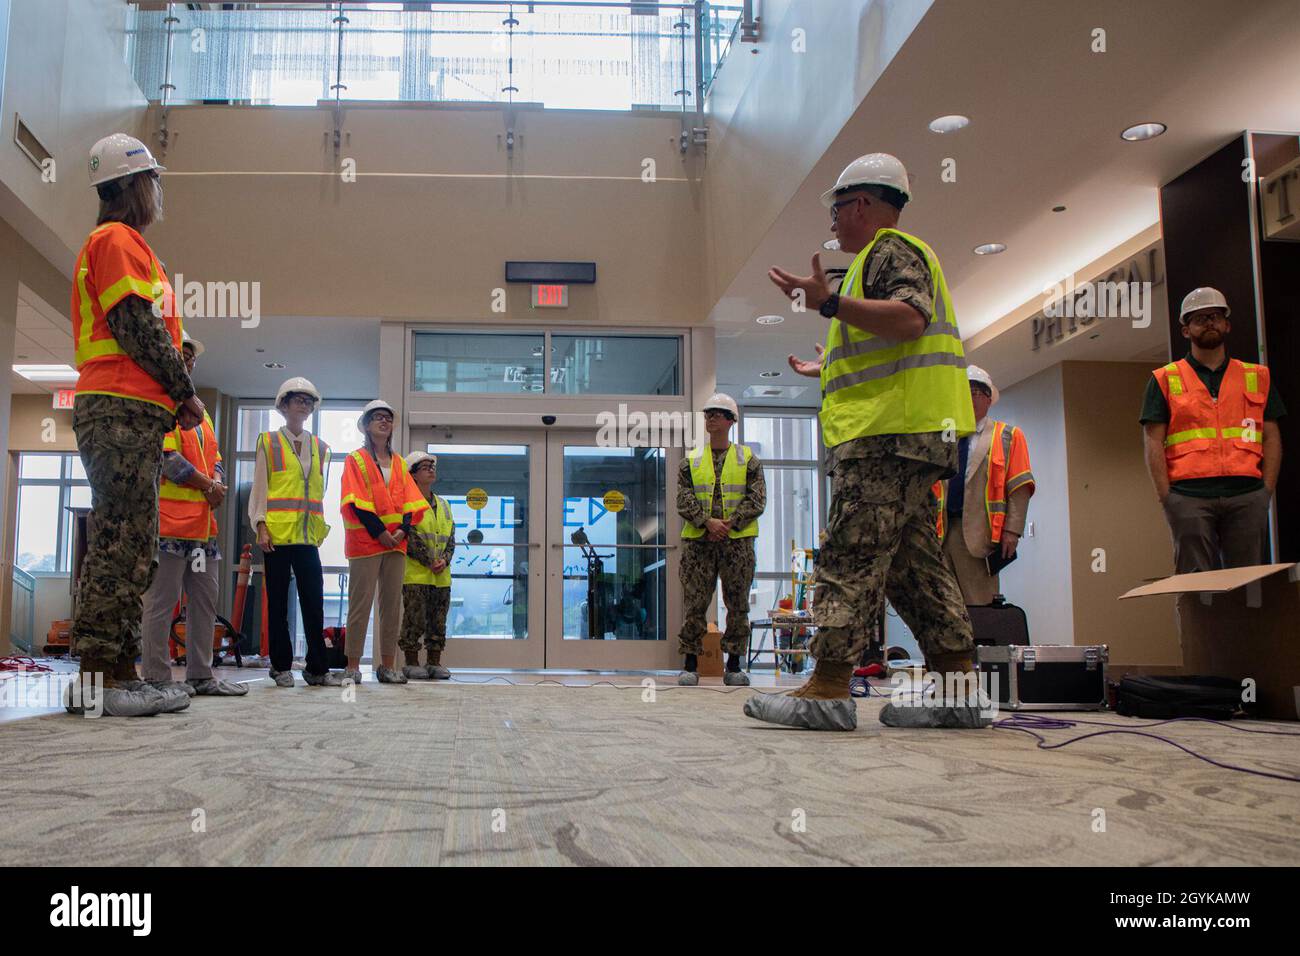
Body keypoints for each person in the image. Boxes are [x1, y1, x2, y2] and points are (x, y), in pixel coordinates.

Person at [747, 152, 982, 731]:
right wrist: (826, 366)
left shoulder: (890, 252)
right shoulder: (870, 264)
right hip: (902, 434)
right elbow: (888, 342)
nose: (831, 223)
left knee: (849, 553)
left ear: (860, 205)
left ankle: (828, 688)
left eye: (835, 209)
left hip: (887, 437)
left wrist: (825, 301)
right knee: (912, 566)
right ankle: (959, 688)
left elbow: (908, 319)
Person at [65, 133, 207, 718]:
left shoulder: (130, 246)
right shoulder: (117, 240)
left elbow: (147, 327)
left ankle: (121, 674)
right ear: (132, 186)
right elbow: (134, 326)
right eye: (154, 180)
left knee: (133, 544)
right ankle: (98, 681)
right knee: (122, 543)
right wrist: (184, 391)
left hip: (134, 410)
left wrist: (174, 376)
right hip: (118, 405)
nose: (158, 190)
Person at [1141, 287, 1285, 572]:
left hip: (1247, 493)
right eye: (1199, 318)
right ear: (1186, 330)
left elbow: (1271, 436)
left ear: (1227, 325)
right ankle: (1200, 620)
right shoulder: (1164, 379)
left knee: (1247, 582)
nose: (1209, 322)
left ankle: (1244, 619)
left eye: (1215, 316)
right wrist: (1166, 496)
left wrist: (1265, 490)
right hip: (1188, 495)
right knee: (1196, 584)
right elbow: (1153, 442)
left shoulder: (1256, 376)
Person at [139, 332, 247, 698]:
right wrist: (208, 486)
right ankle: (156, 678)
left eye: (190, 358)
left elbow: (215, 458)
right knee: (161, 603)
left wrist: (216, 481)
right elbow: (168, 461)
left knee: (203, 601)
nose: (186, 362)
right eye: (180, 356)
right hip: (169, 529)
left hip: (202, 535)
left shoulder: (201, 414)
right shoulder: (161, 405)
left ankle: (200, 675)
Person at [249, 377, 344, 687]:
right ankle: (280, 666)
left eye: (308, 401)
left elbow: (319, 492)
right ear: (284, 405)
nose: (303, 405)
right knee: (277, 605)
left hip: (306, 538)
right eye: (297, 399)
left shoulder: (321, 448)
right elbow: (260, 488)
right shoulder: (268, 441)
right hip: (276, 536)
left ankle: (317, 668)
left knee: (313, 604)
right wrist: (260, 524)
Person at [675, 393, 765, 687]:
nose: (710, 418)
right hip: (699, 542)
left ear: (730, 420)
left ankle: (735, 665)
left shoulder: (748, 459)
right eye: (708, 413)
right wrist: (707, 522)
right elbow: (683, 498)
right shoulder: (690, 460)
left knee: (737, 604)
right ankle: (690, 664)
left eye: (717, 413)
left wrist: (730, 524)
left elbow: (757, 499)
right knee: (694, 604)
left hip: (736, 543)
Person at [340, 400, 426, 685]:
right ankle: (353, 666)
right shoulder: (356, 459)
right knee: (360, 605)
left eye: (388, 418)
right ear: (366, 425)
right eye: (377, 417)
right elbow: (357, 502)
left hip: (396, 544)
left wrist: (402, 530)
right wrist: (380, 533)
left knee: (391, 607)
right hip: (366, 542)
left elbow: (411, 502)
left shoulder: (400, 463)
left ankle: (387, 666)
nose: (384, 421)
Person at [932, 365, 1035, 605]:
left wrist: (1012, 530)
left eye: (975, 392)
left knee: (979, 607)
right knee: (942, 607)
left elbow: (1019, 487)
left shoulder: (1007, 435)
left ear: (989, 399)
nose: (968, 398)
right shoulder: (944, 437)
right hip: (941, 532)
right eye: (963, 392)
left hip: (981, 535)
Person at [399, 451, 456, 680]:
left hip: (441, 576)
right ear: (412, 475)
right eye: (424, 467)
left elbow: (450, 536)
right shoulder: (407, 503)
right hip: (416, 574)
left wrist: (446, 559)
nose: (431, 469)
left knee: (438, 619)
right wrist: (428, 561)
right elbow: (409, 536)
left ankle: (434, 661)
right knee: (415, 618)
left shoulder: (443, 504)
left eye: (432, 466)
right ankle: (411, 662)